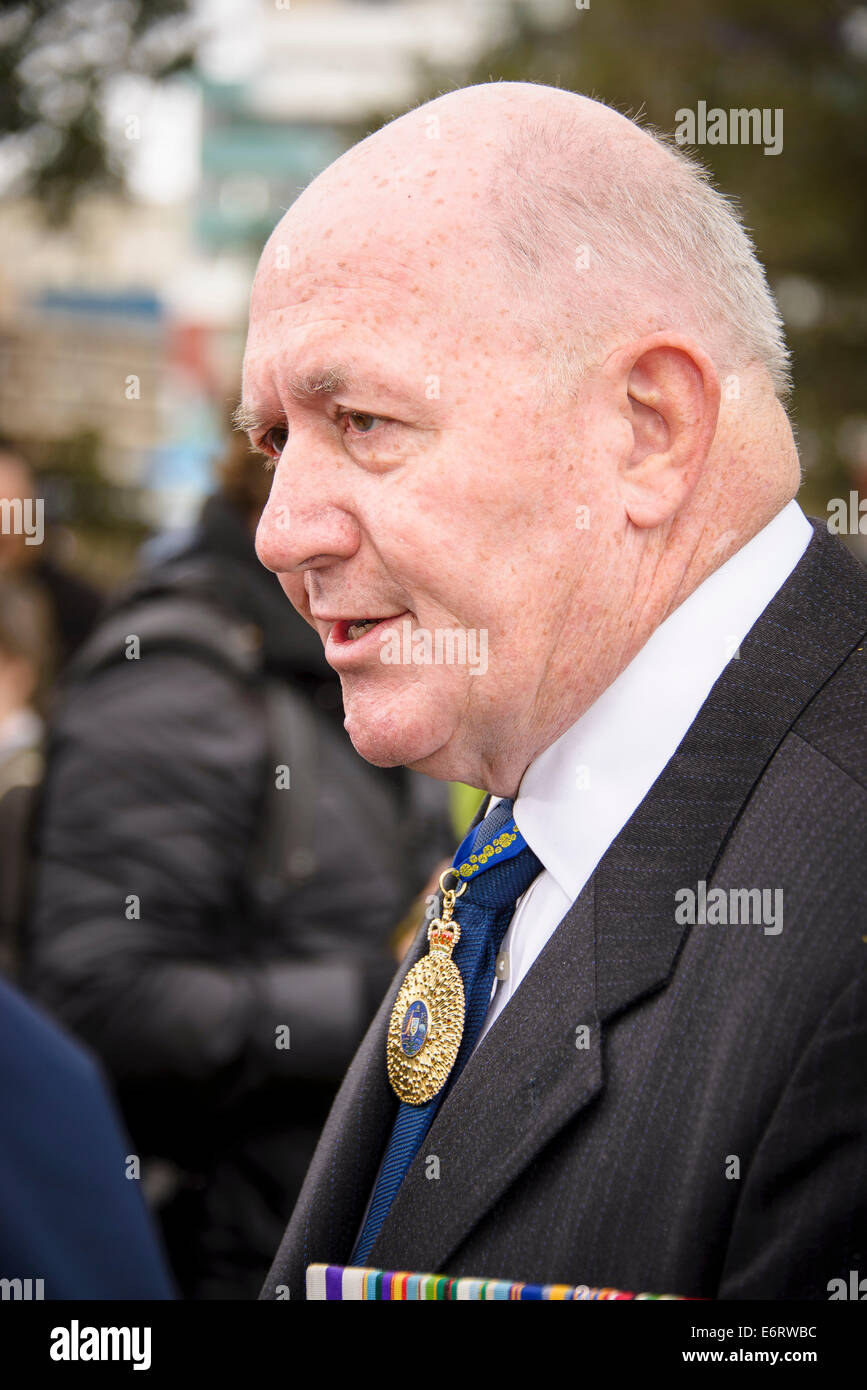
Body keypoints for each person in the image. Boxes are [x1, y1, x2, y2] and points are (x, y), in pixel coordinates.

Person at [242, 82, 867, 1301]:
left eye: (361, 419)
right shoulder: (532, 824)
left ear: (650, 428)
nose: (281, 532)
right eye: (274, 441)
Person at [23, 432, 453, 1299]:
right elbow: (102, 996)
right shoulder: (178, 678)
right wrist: (399, 1001)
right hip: (220, 1253)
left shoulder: (343, 659)